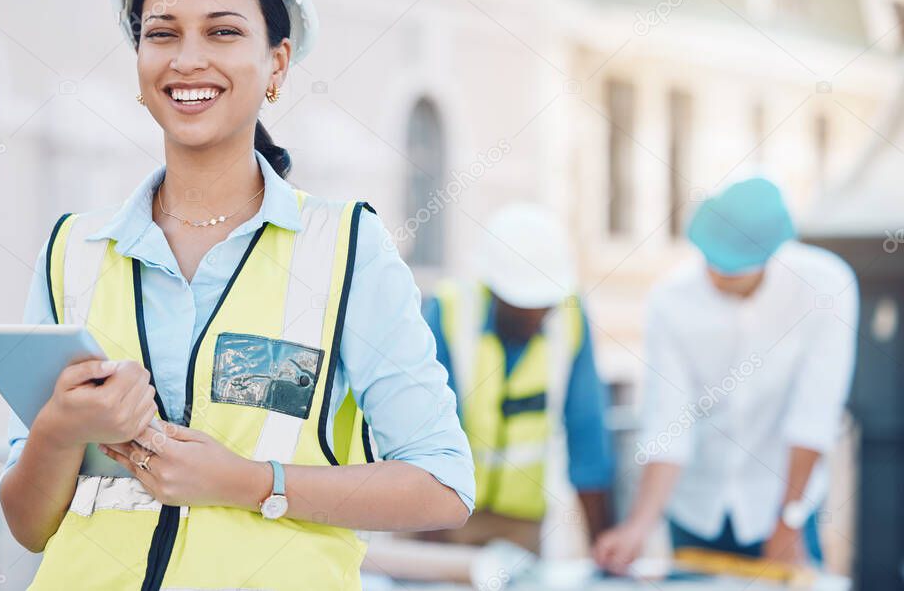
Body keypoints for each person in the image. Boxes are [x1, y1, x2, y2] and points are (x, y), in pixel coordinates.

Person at [0, 0, 474, 589]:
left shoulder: (346, 250)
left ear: (276, 63)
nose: (188, 58)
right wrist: (57, 430)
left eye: (223, 31)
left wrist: (253, 482)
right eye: (162, 33)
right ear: (139, 65)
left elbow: (442, 484)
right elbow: (27, 524)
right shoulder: (72, 250)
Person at [593, 177, 858, 572]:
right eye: (710, 263)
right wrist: (638, 527)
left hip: (783, 504)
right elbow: (669, 424)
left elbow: (813, 416)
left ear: (770, 256)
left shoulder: (826, 287)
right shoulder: (671, 300)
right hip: (695, 508)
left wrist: (788, 523)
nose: (716, 276)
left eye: (731, 271)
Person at [365, 204, 614, 582]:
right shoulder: (450, 312)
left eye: (543, 306)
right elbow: (422, 433)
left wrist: (605, 551)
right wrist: (436, 554)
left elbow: (587, 434)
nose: (536, 316)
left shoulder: (569, 317)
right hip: (438, 512)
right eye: (524, 305)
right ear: (495, 290)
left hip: (520, 521)